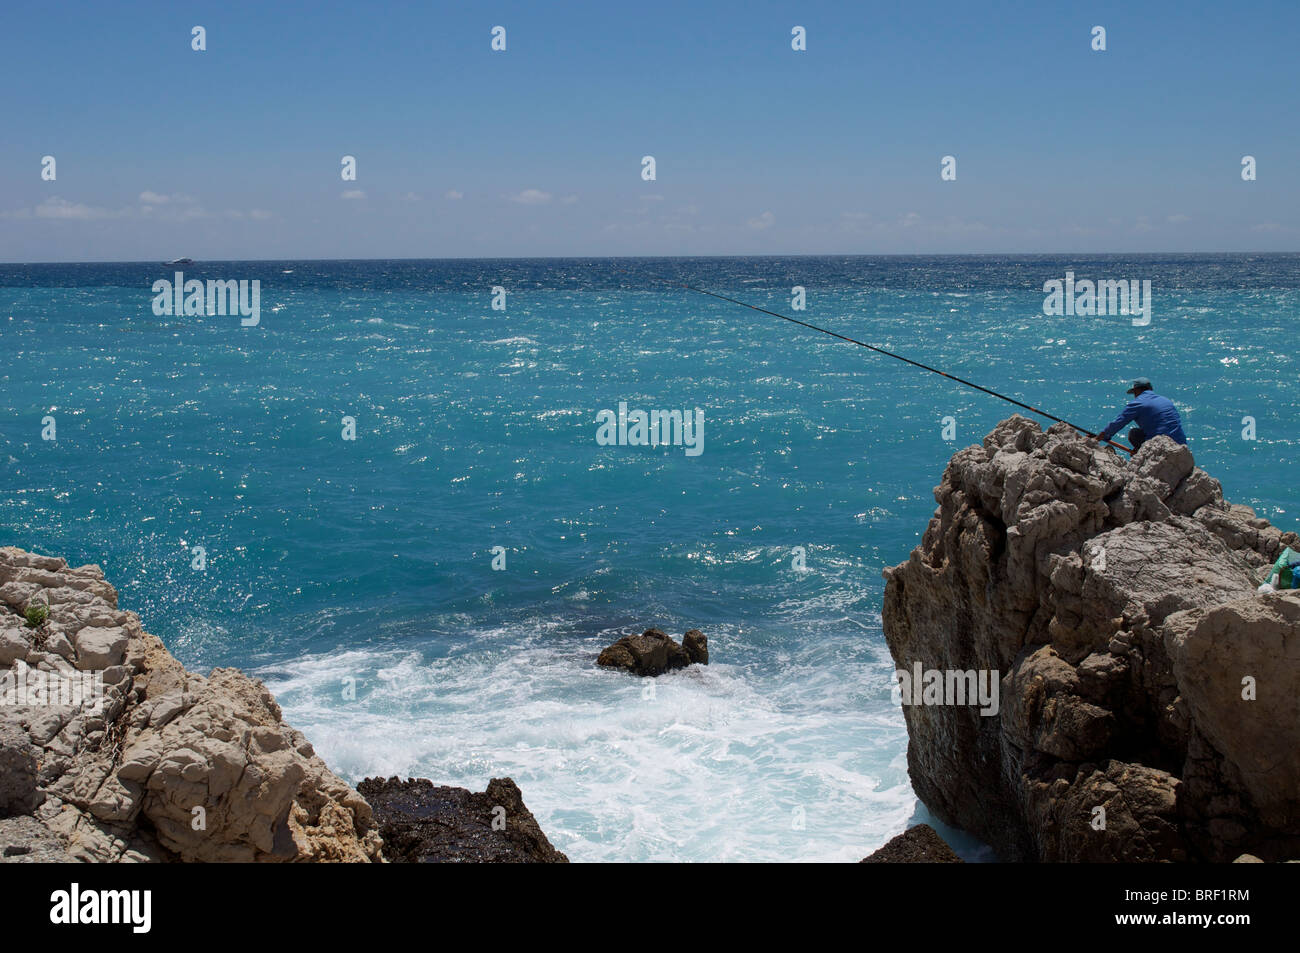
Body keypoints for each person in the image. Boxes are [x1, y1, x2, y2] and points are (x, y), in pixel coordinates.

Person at [1095, 378, 1187, 451]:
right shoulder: (1166, 400)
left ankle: (1145, 454)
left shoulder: (1138, 402)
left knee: (1134, 433)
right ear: (1150, 389)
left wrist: (1102, 436)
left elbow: (1119, 422)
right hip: (1181, 445)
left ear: (1136, 391)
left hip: (1160, 446)